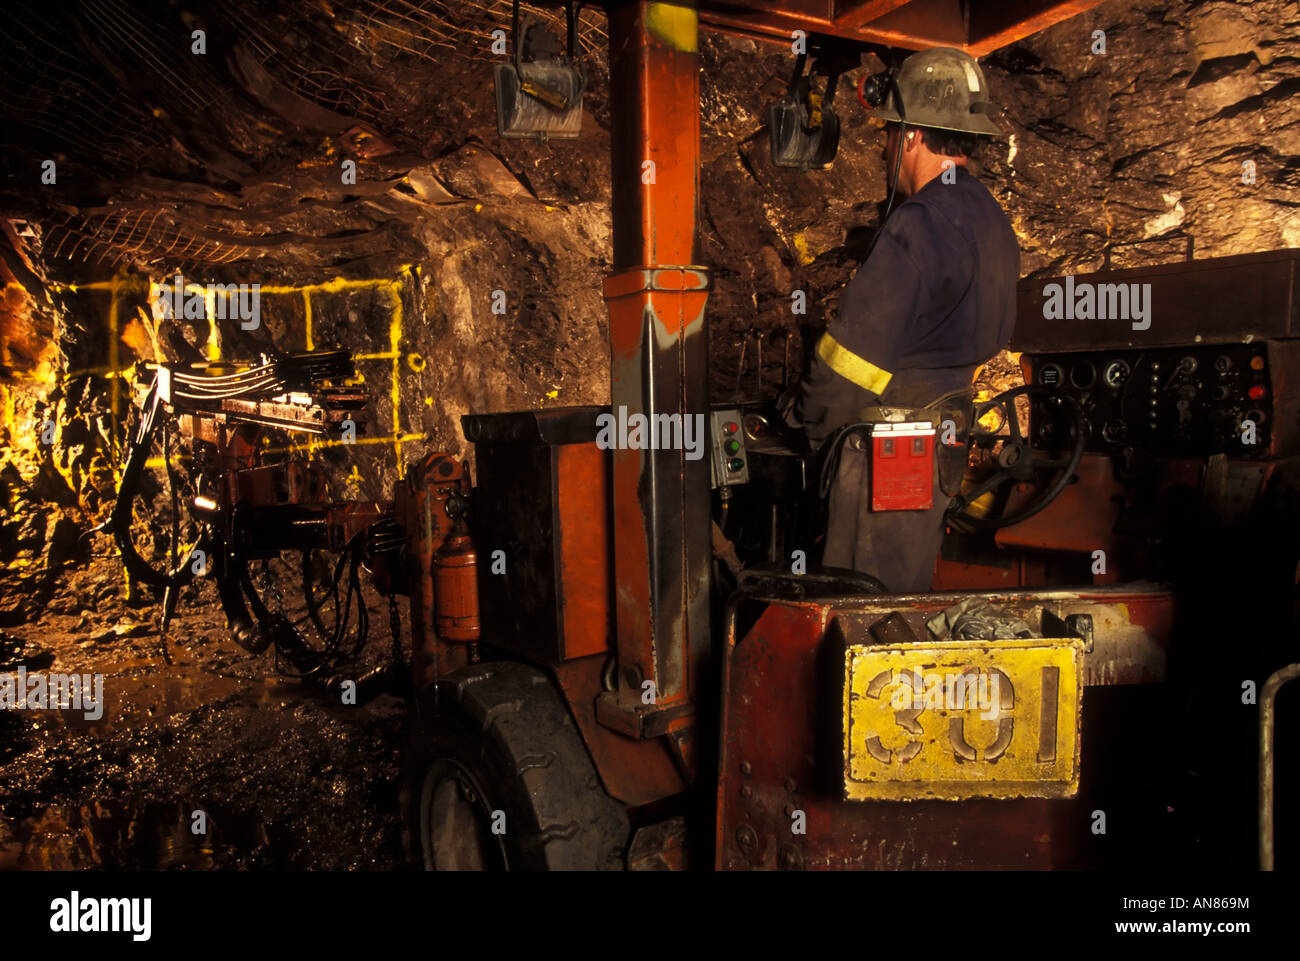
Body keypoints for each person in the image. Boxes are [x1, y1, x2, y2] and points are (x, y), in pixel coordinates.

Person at [784, 47, 1020, 594]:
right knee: (904, 592)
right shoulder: (990, 218)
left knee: (858, 601)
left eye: (890, 133)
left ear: (911, 136)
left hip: (888, 447)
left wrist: (807, 424)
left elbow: (851, 362)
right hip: (942, 444)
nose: (886, 147)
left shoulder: (918, 224)